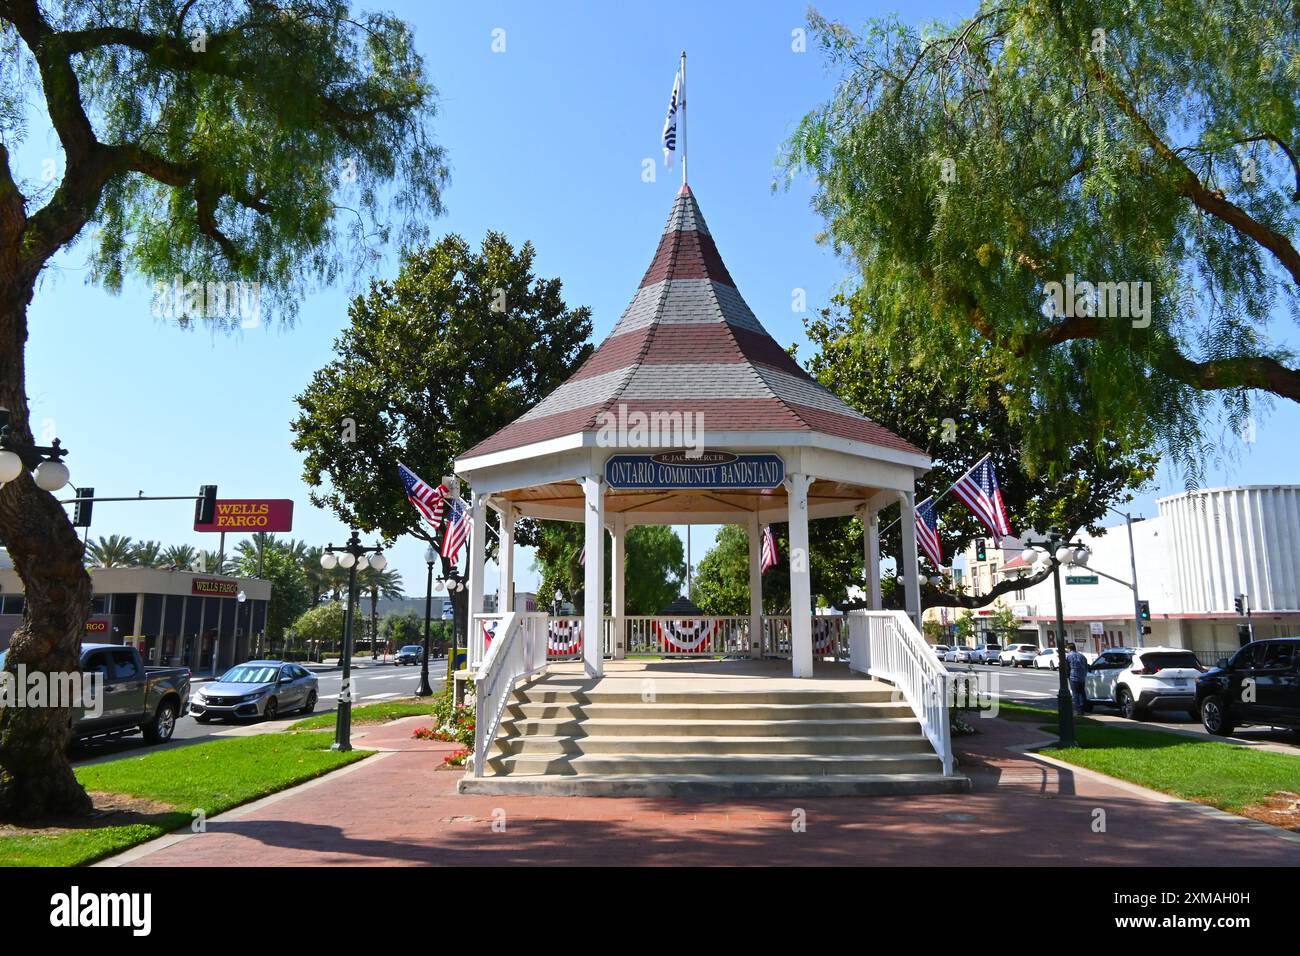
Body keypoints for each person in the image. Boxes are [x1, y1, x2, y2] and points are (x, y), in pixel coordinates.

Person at [1064, 642, 1090, 715]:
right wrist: (1084, 674)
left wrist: (1067, 675)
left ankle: (1078, 710)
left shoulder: (1069, 656)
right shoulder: (1082, 656)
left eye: (1067, 649)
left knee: (1075, 694)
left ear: (1069, 648)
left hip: (1073, 677)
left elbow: (1067, 668)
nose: (1067, 650)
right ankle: (1082, 709)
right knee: (1082, 693)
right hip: (1082, 677)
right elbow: (1086, 666)